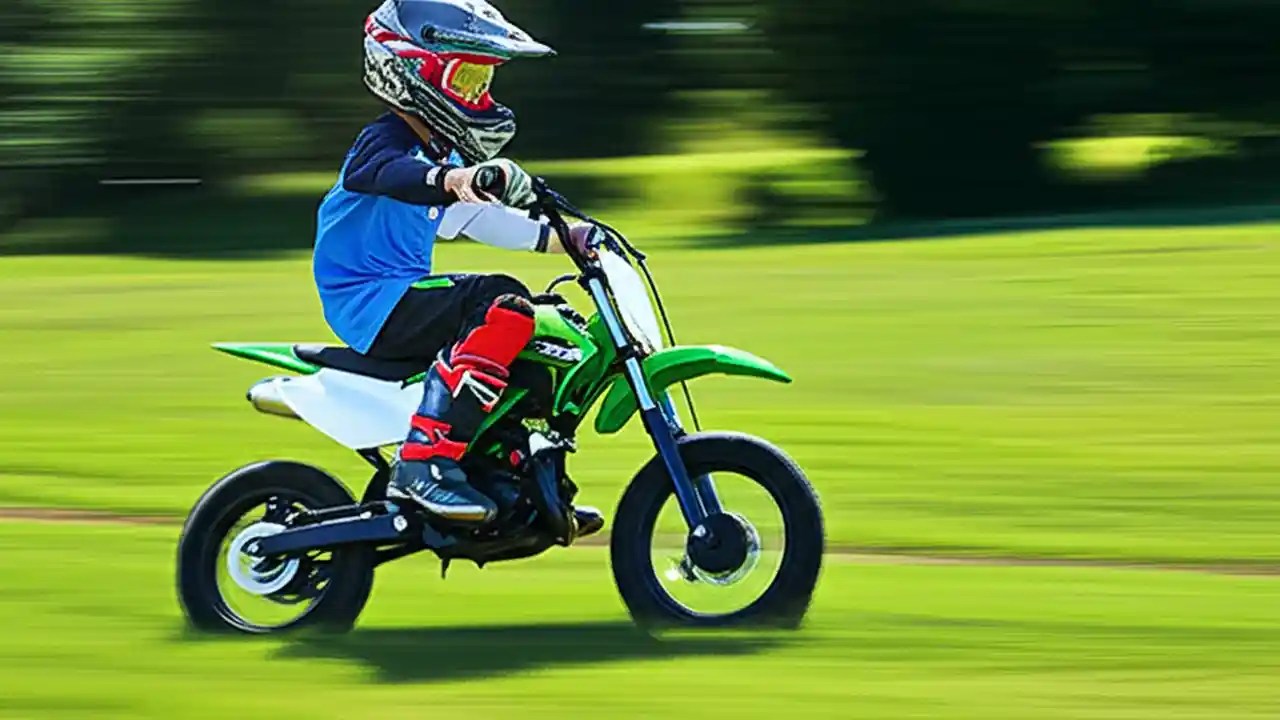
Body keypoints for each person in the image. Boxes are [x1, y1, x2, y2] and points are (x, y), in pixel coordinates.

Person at [312, 0, 603, 530]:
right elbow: (382, 174)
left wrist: (564, 237)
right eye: (467, 79)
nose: (478, 95)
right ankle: (422, 462)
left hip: (398, 295)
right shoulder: (386, 142)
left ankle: (513, 475)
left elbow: (474, 219)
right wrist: (451, 180)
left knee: (534, 328)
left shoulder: (439, 155)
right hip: (369, 301)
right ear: (411, 70)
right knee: (499, 300)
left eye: (482, 82)